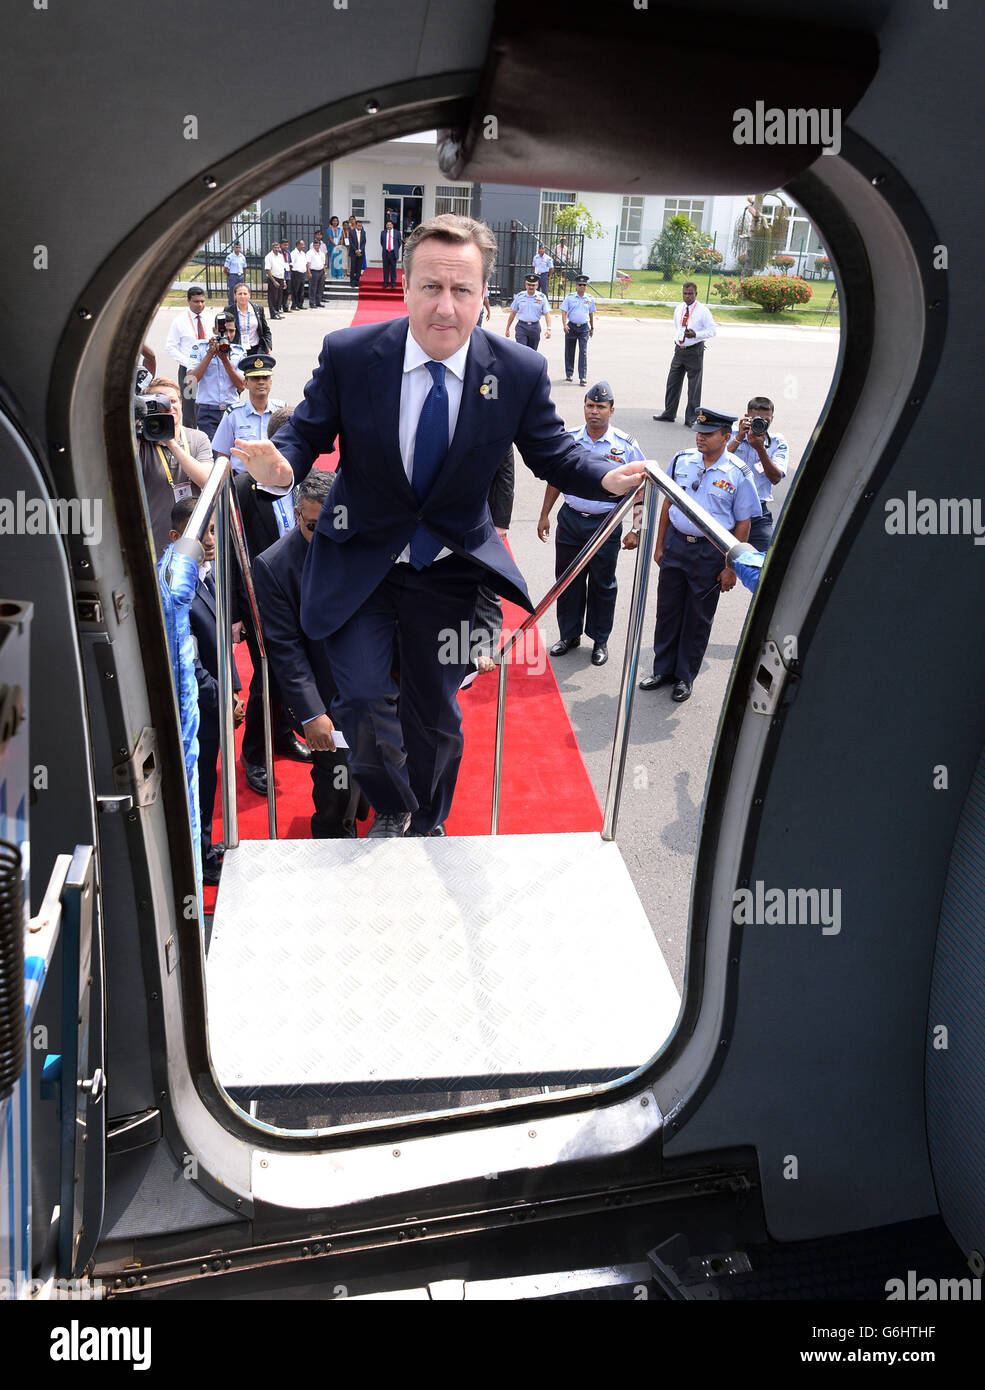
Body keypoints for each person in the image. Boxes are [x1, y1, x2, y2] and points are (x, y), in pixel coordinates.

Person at [232, 212, 645, 839]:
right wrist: (281, 467)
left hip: (448, 570)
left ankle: (427, 819)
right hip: (362, 560)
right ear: (405, 287)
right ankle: (393, 803)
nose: (445, 308)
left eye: (462, 290)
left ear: (485, 297)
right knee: (362, 700)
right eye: (431, 287)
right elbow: (304, 433)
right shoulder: (350, 356)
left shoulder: (517, 370)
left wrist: (603, 478)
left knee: (438, 717)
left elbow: (552, 450)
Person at [253, 470, 367, 839]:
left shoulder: (366, 541)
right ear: (297, 514)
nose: (326, 536)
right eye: (314, 525)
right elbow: (285, 648)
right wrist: (312, 712)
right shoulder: (274, 566)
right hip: (327, 698)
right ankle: (333, 844)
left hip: (376, 686)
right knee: (337, 787)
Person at [639, 407, 760, 703]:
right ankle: (663, 669)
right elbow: (668, 504)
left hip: (711, 552)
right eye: (699, 432)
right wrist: (660, 544)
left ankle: (684, 676)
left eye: (708, 434)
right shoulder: (682, 460)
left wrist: (731, 567)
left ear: (726, 436)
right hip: (677, 545)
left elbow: (744, 522)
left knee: (697, 617)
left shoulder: (738, 473)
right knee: (667, 610)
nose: (701, 438)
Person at [538, 381, 644, 666]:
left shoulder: (626, 445)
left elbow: (641, 489)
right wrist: (545, 513)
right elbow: (556, 479)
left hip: (606, 524)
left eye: (600, 407)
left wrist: (636, 528)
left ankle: (599, 639)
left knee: (602, 583)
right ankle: (569, 635)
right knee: (567, 580)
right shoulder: (569, 439)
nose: (594, 412)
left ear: (611, 410)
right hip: (571, 520)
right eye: (589, 406)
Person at [168, 499, 244, 886]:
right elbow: (189, 663)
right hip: (199, 708)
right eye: (203, 532)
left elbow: (220, 642)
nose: (210, 540)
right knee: (198, 783)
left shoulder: (205, 576)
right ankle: (199, 857)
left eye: (214, 530)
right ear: (176, 537)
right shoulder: (177, 588)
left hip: (214, 702)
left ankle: (206, 846)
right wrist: (222, 696)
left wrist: (234, 687)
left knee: (208, 780)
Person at [137, 376, 214, 557]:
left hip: (196, 541)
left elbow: (207, 482)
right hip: (156, 543)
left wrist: (171, 442)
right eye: (160, 403)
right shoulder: (142, 440)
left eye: (172, 401)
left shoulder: (198, 438)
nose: (169, 407)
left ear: (180, 402)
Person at [471, 447, 515, 674]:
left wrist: (500, 523)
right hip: (437, 518)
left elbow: (505, 474)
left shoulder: (494, 418)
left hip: (482, 519)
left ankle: (484, 648)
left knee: (486, 583)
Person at [726, 395, 789, 550]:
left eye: (765, 421)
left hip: (757, 512)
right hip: (726, 507)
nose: (761, 423)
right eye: (756, 419)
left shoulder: (777, 442)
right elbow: (715, 461)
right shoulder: (731, 435)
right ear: (747, 417)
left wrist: (760, 449)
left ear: (772, 419)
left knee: (768, 556)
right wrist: (740, 438)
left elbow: (776, 478)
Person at [653, 281, 717, 428]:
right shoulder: (679, 308)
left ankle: (691, 418)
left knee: (694, 386)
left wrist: (696, 334)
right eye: (685, 293)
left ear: (696, 294)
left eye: (690, 294)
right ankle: (669, 413)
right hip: (679, 350)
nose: (687, 296)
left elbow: (712, 330)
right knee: (672, 382)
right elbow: (678, 327)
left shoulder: (703, 311)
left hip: (694, 350)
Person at [211, 353, 285, 473]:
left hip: (276, 479)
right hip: (243, 481)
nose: (261, 382)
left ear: (270, 383)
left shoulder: (281, 411)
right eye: (255, 378)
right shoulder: (233, 414)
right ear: (245, 383)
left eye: (265, 377)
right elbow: (223, 456)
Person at [185, 308, 246, 440]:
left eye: (232, 331)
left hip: (232, 409)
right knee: (211, 453)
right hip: (207, 411)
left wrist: (225, 360)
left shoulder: (239, 351)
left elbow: (242, 385)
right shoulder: (200, 348)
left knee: (232, 453)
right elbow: (191, 382)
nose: (228, 335)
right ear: (214, 330)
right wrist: (209, 355)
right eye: (224, 330)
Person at [165, 285, 210, 428]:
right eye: (196, 301)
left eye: (202, 301)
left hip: (208, 369)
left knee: (206, 405)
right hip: (189, 372)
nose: (200, 305)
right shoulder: (180, 321)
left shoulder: (210, 318)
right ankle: (189, 438)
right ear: (189, 301)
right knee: (189, 407)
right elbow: (170, 347)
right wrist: (189, 363)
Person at [560, 274, 596, 385]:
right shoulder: (570, 297)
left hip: (584, 328)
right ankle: (569, 373)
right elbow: (564, 311)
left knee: (583, 352)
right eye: (580, 285)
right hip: (572, 326)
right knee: (569, 351)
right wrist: (564, 324)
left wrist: (592, 327)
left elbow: (591, 313)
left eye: (584, 285)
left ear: (586, 287)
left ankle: (582, 377)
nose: (582, 287)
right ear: (576, 286)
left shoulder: (589, 299)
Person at [505, 273, 552, 351]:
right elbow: (513, 313)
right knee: (522, 351)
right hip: (521, 327)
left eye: (533, 285)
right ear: (526, 285)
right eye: (529, 284)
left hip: (535, 328)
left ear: (537, 286)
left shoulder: (542, 297)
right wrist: (507, 328)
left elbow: (547, 314)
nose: (531, 287)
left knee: (532, 352)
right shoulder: (520, 296)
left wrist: (549, 328)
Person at [230, 282, 272, 354]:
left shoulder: (258, 309)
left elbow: (266, 330)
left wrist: (268, 346)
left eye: (245, 294)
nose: (242, 296)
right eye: (240, 294)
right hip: (236, 350)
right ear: (235, 296)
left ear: (249, 295)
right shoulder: (229, 310)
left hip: (256, 348)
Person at [264, 241, 288, 319]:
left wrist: (284, 281)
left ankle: (277, 312)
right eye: (275, 247)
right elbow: (267, 270)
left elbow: (282, 269)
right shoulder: (269, 256)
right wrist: (274, 281)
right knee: (272, 297)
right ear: (272, 248)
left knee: (279, 297)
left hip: (281, 278)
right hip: (273, 278)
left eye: (278, 247)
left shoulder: (281, 256)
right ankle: (273, 313)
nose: (277, 249)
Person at [306, 234, 328, 308]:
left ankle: (318, 302)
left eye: (318, 245)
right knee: (313, 287)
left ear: (320, 245)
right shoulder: (309, 253)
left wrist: (325, 273)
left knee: (320, 287)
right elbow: (307, 264)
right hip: (313, 271)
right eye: (315, 245)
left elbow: (323, 264)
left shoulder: (322, 254)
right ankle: (312, 302)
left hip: (321, 271)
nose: (316, 246)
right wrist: (309, 273)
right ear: (313, 246)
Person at [380, 216, 401, 289]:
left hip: (393, 253)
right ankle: (385, 283)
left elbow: (399, 243)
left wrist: (394, 250)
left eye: (390, 225)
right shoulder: (383, 233)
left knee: (393, 269)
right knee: (385, 269)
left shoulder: (397, 232)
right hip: (385, 253)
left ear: (392, 225)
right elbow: (382, 242)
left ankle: (393, 283)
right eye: (387, 225)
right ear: (386, 226)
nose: (389, 226)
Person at [347, 218, 367, 289]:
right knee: (353, 267)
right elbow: (351, 242)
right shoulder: (351, 232)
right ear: (355, 225)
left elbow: (364, 242)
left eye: (361, 226)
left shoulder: (363, 232)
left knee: (359, 268)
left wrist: (360, 250)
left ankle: (357, 281)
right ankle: (352, 282)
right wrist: (356, 250)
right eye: (358, 226)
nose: (359, 227)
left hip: (361, 253)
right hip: (353, 252)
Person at [289, 239, 308, 310]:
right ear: (297, 245)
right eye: (302, 245)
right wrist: (291, 273)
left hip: (302, 273)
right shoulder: (293, 253)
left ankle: (300, 304)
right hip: (296, 273)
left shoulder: (303, 253)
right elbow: (291, 264)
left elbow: (305, 263)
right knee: (295, 290)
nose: (303, 246)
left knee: (301, 290)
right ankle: (294, 305)